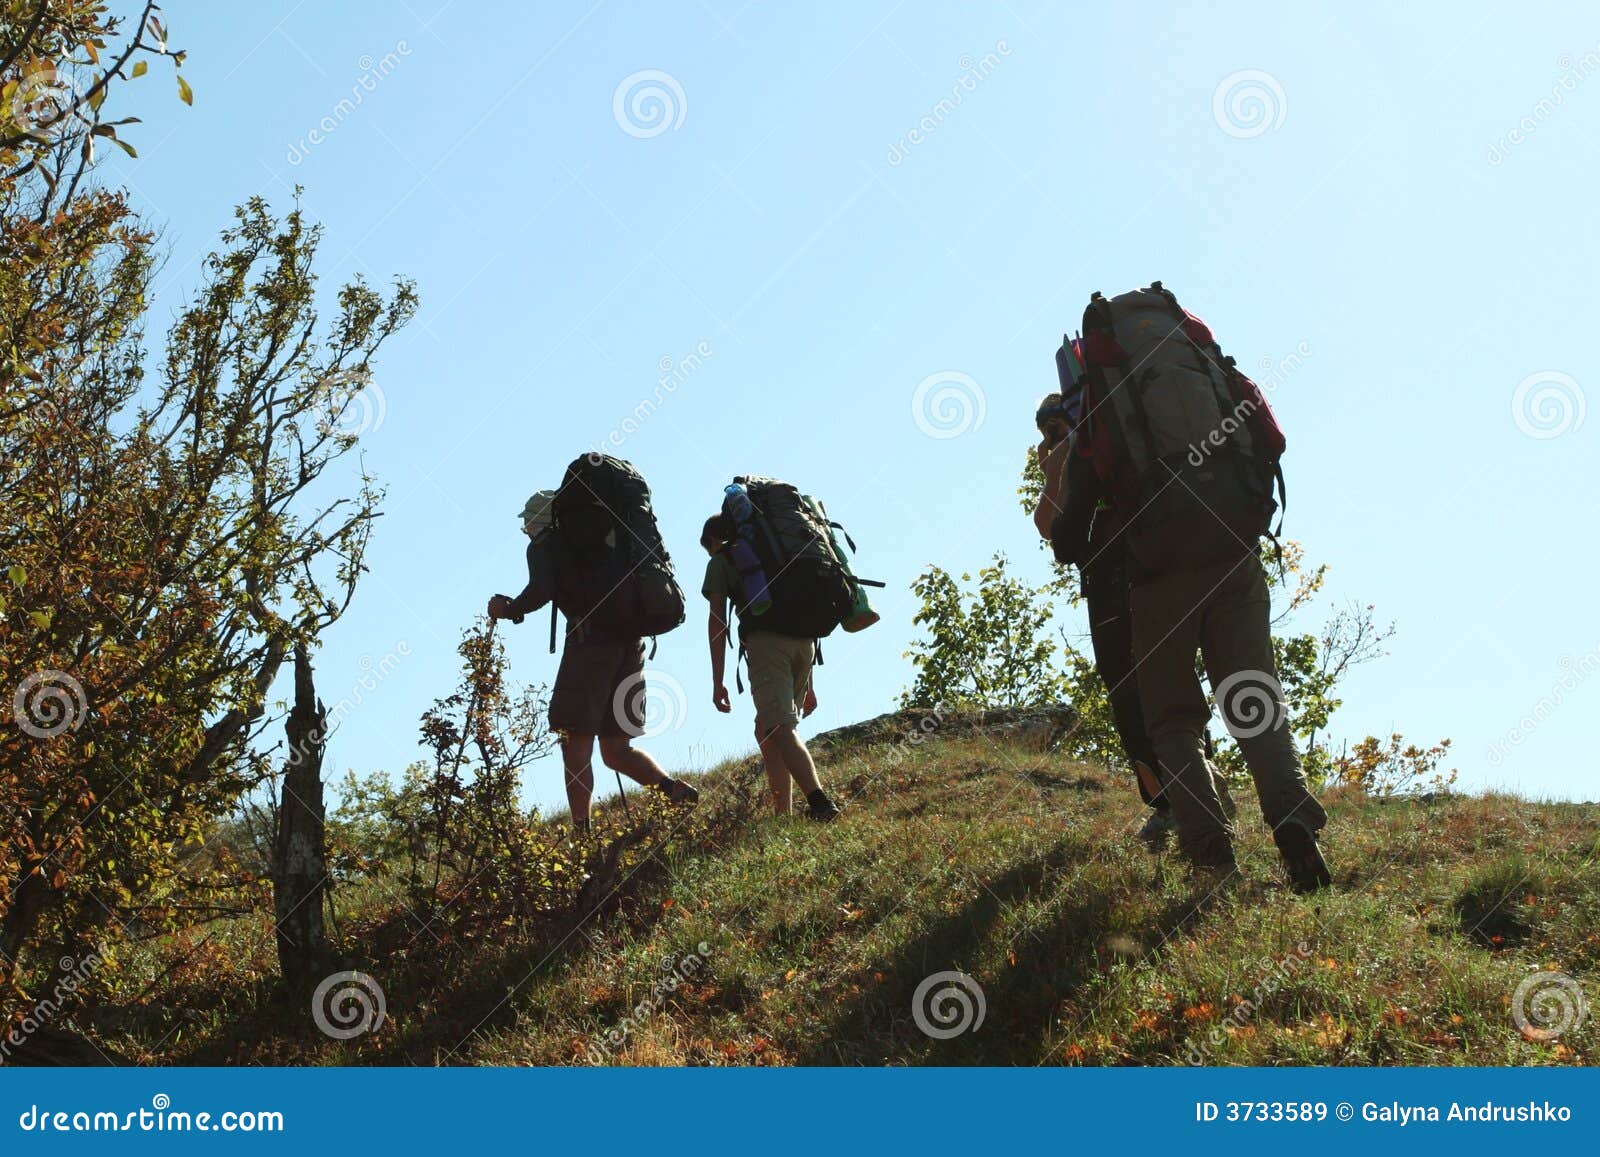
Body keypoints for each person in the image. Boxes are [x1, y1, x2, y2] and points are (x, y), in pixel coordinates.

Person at [1066, 283, 1330, 891]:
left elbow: (1077, 508)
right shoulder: (1203, 359)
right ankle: (1293, 827)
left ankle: (1213, 858)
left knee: (1173, 718)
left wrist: (1079, 543)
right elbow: (1273, 435)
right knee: (1254, 696)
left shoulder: (1109, 395)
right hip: (1232, 541)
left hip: (1159, 565)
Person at [488, 490, 698, 835]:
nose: (525, 528)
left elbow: (541, 591)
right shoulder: (612, 536)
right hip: (632, 642)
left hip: (589, 646)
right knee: (616, 749)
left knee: (575, 739)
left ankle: (582, 833)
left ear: (540, 519)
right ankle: (671, 790)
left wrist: (508, 610)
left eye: (527, 521)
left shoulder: (547, 542)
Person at [1032, 392, 1175, 850]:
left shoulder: (1075, 450)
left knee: (1128, 693)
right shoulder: (1127, 438)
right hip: (1162, 563)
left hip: (1111, 583)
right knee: (1172, 681)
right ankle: (1201, 788)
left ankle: (1167, 807)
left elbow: (1047, 524)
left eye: (1047, 430)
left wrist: (1053, 470)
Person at [700, 514, 841, 822]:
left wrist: (718, 681)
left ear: (714, 540)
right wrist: (810, 684)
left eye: (709, 549)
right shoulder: (776, 552)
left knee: (779, 727)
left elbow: (717, 622)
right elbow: (794, 612)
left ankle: (820, 803)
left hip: (767, 645)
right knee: (766, 729)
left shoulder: (722, 559)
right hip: (806, 643)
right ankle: (782, 817)